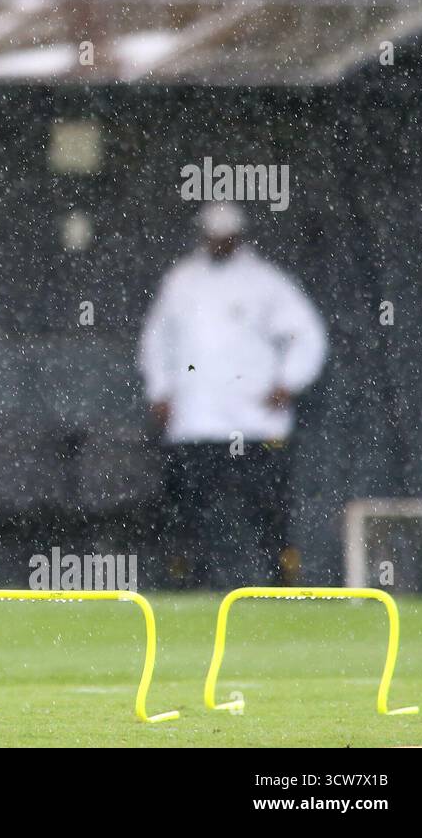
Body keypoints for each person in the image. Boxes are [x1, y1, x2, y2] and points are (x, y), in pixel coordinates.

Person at [139, 201, 327, 587]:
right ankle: (184, 584)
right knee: (187, 514)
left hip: (254, 422)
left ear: (238, 237)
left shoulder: (266, 282)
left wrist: (287, 383)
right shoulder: (181, 281)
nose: (218, 244)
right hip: (195, 421)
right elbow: (157, 340)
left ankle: (282, 583)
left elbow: (307, 335)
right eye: (212, 236)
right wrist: (160, 391)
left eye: (225, 237)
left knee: (270, 512)